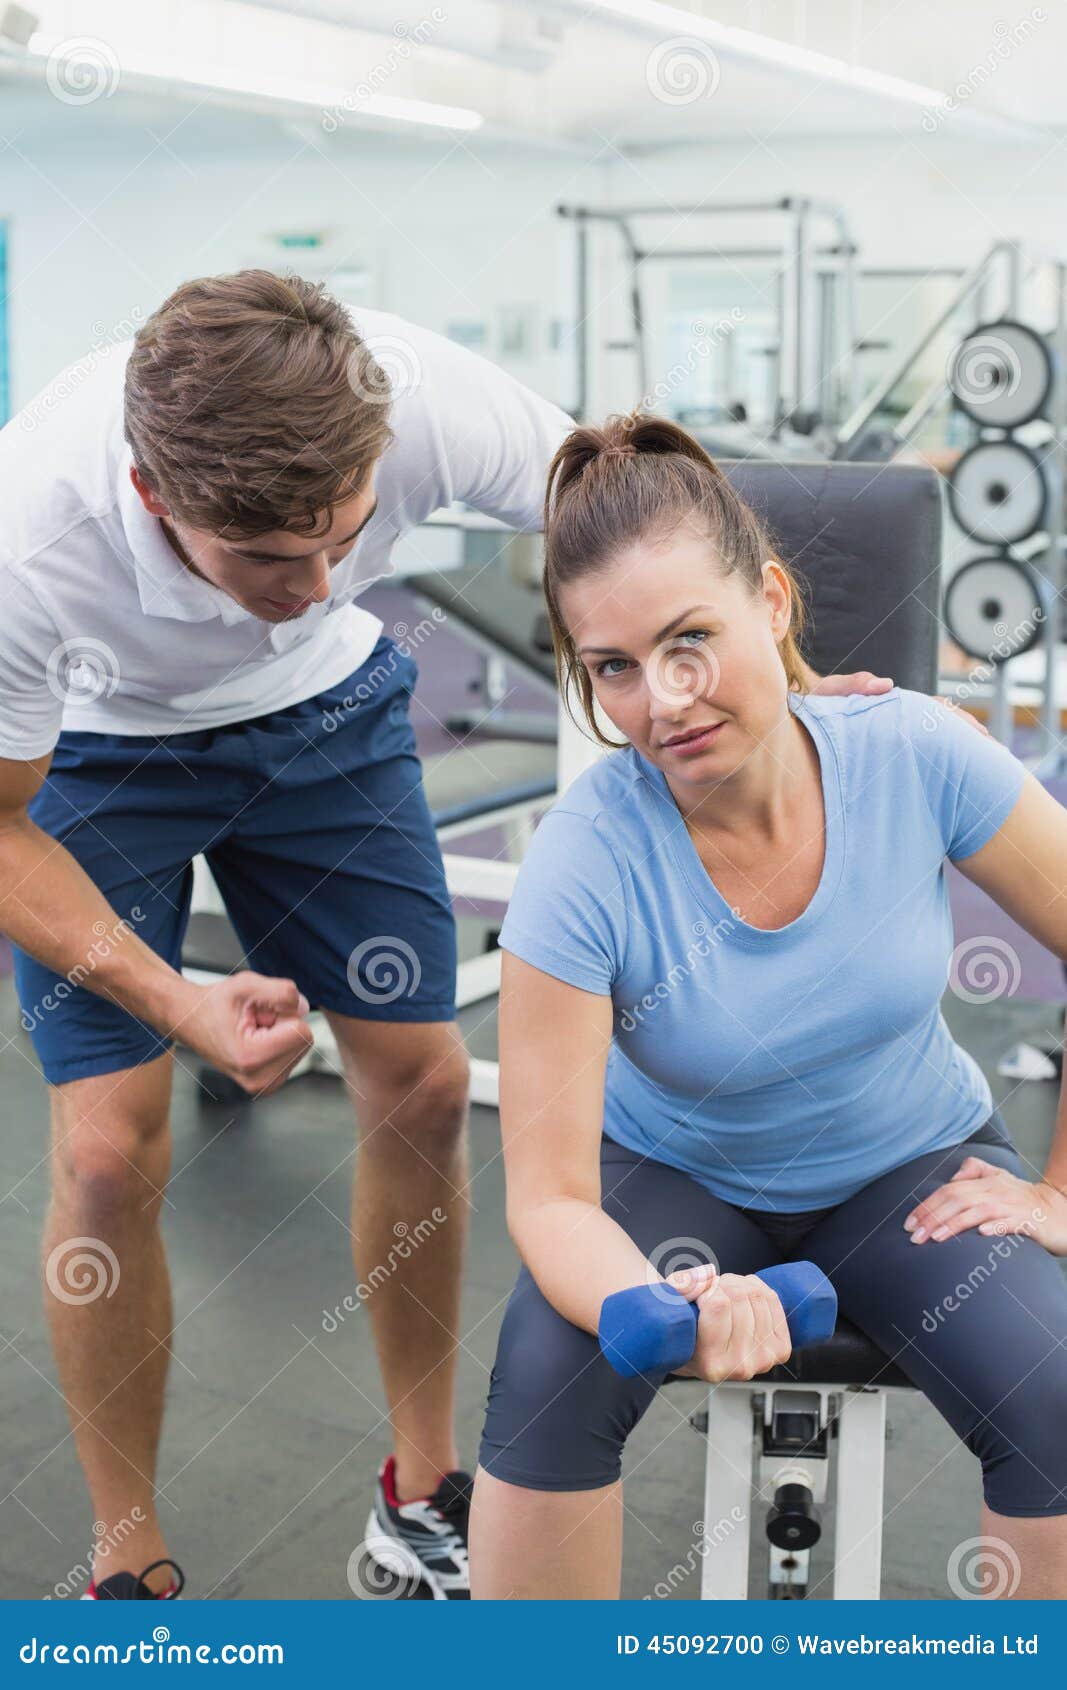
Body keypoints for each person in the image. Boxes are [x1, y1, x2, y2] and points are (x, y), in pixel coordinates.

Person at [0, 274, 918, 1600]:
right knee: (100, 1152)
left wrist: (782, 677)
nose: (318, 582)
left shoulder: (424, 397)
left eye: (345, 538)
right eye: (268, 560)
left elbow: (644, 527)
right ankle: (123, 1557)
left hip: (324, 723)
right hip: (94, 757)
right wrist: (177, 1000)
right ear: (153, 499)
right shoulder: (32, 529)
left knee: (425, 1083)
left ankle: (419, 1490)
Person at [468, 413, 1067, 1601]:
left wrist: (1057, 1196)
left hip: (909, 1171)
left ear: (774, 603)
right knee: (544, 1375)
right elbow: (546, 1196)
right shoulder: (582, 863)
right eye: (614, 667)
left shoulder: (910, 752)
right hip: (674, 1180)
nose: (664, 700)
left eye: (690, 639)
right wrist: (647, 1297)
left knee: (1053, 1382)